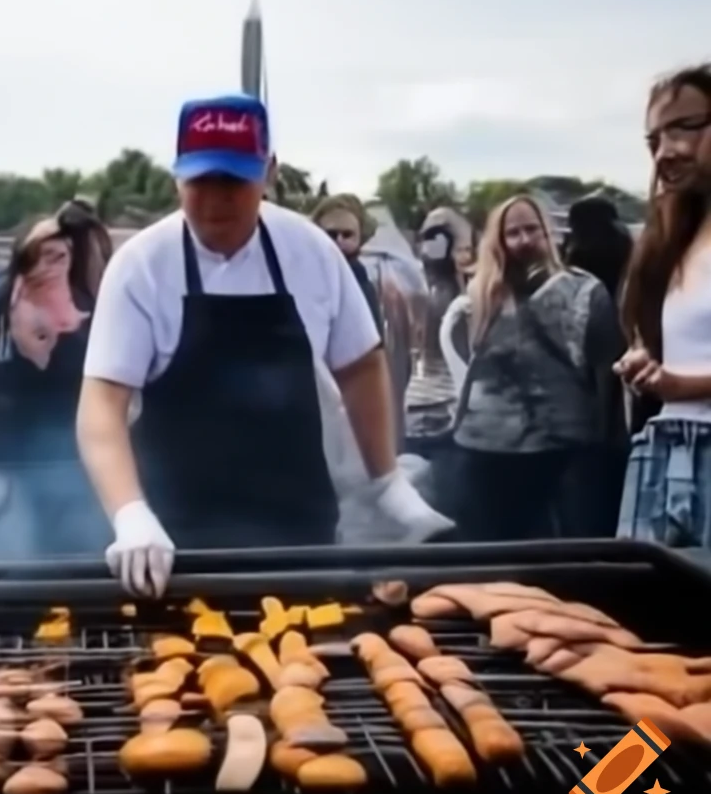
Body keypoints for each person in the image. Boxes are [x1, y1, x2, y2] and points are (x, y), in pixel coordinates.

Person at [77, 94, 452, 596]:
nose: (214, 200)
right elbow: (102, 405)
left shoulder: (310, 252)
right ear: (176, 177)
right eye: (199, 181)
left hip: (300, 532)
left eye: (233, 180)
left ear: (268, 172)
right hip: (175, 542)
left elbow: (361, 365)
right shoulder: (142, 265)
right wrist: (131, 513)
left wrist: (386, 481)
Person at [438, 195, 624, 541]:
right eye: (513, 233)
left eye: (531, 230)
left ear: (547, 233)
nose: (524, 240)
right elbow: (471, 371)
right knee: (487, 560)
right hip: (485, 453)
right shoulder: (481, 296)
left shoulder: (585, 292)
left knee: (564, 560)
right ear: (499, 240)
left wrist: (601, 449)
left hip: (562, 453)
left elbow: (606, 378)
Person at [0, 202, 109, 557]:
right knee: (13, 559)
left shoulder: (86, 307)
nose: (50, 263)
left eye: (59, 254)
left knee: (74, 556)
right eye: (41, 254)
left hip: (74, 463)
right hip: (6, 465)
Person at [617, 64, 711, 548]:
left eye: (682, 128)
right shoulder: (671, 239)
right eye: (654, 139)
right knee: (642, 618)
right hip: (666, 453)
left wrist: (685, 384)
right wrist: (647, 362)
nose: (665, 152)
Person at [310, 194, 384, 334]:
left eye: (347, 235)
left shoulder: (361, 284)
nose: (339, 241)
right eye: (331, 234)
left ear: (360, 237)